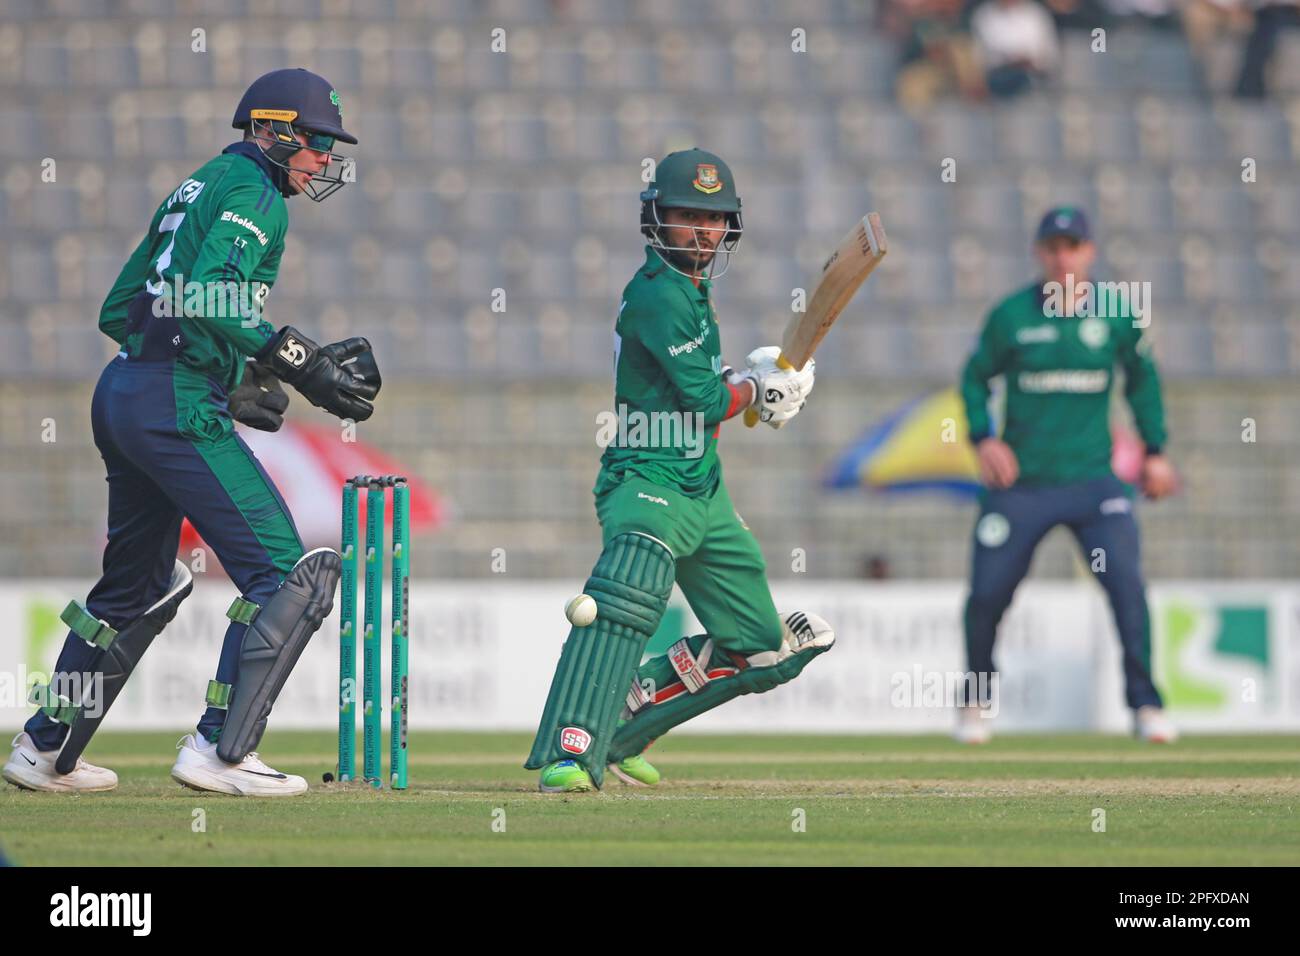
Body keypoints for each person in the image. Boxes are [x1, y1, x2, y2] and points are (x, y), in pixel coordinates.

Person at [2, 68, 381, 796]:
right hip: (172, 401)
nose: (323, 160)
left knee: (136, 586)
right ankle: (221, 751)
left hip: (124, 388)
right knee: (282, 573)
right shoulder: (256, 195)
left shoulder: (197, 185)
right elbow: (211, 291)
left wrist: (224, 374)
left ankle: (45, 748)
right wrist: (295, 363)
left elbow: (121, 309)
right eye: (315, 143)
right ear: (272, 130)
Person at [524, 148, 836, 792]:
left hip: (702, 485)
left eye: (716, 219)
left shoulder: (693, 291)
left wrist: (747, 386)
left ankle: (626, 727)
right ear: (657, 220)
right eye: (688, 216)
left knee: (762, 648)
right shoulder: (658, 295)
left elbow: (694, 394)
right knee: (624, 602)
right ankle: (570, 749)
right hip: (645, 479)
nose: (704, 230)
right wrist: (756, 390)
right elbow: (700, 402)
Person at [957, 207, 1178, 744]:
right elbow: (973, 378)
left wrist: (1155, 449)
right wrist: (984, 438)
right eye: (1053, 247)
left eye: (1072, 246)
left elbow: (1142, 380)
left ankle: (1146, 706)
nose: (1063, 257)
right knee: (987, 595)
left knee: (1127, 586)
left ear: (1089, 252)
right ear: (1039, 252)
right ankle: (976, 702)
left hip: (1092, 483)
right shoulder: (1011, 316)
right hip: (1023, 485)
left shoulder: (1117, 315)